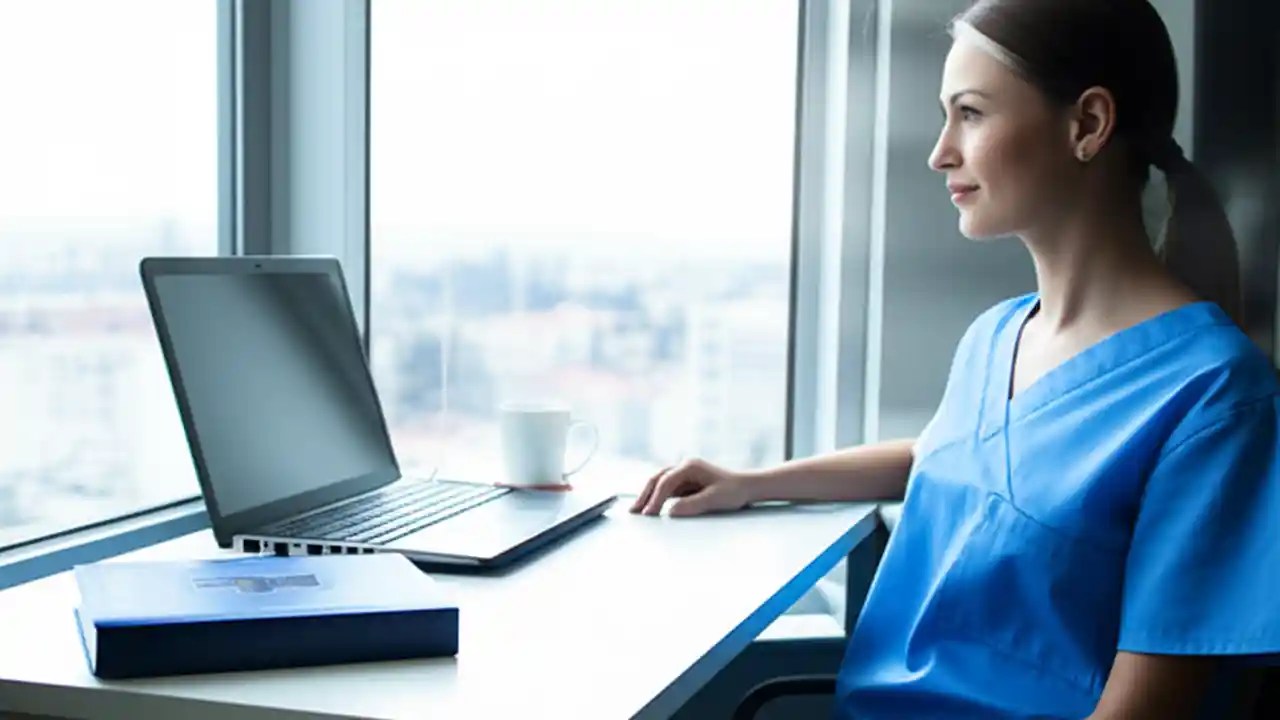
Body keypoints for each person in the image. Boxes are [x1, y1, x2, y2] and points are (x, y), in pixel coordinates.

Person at [630, 1, 1280, 717]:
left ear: (1087, 125)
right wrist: (751, 482)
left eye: (970, 113)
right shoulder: (996, 337)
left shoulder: (1216, 396)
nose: (940, 151)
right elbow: (951, 457)